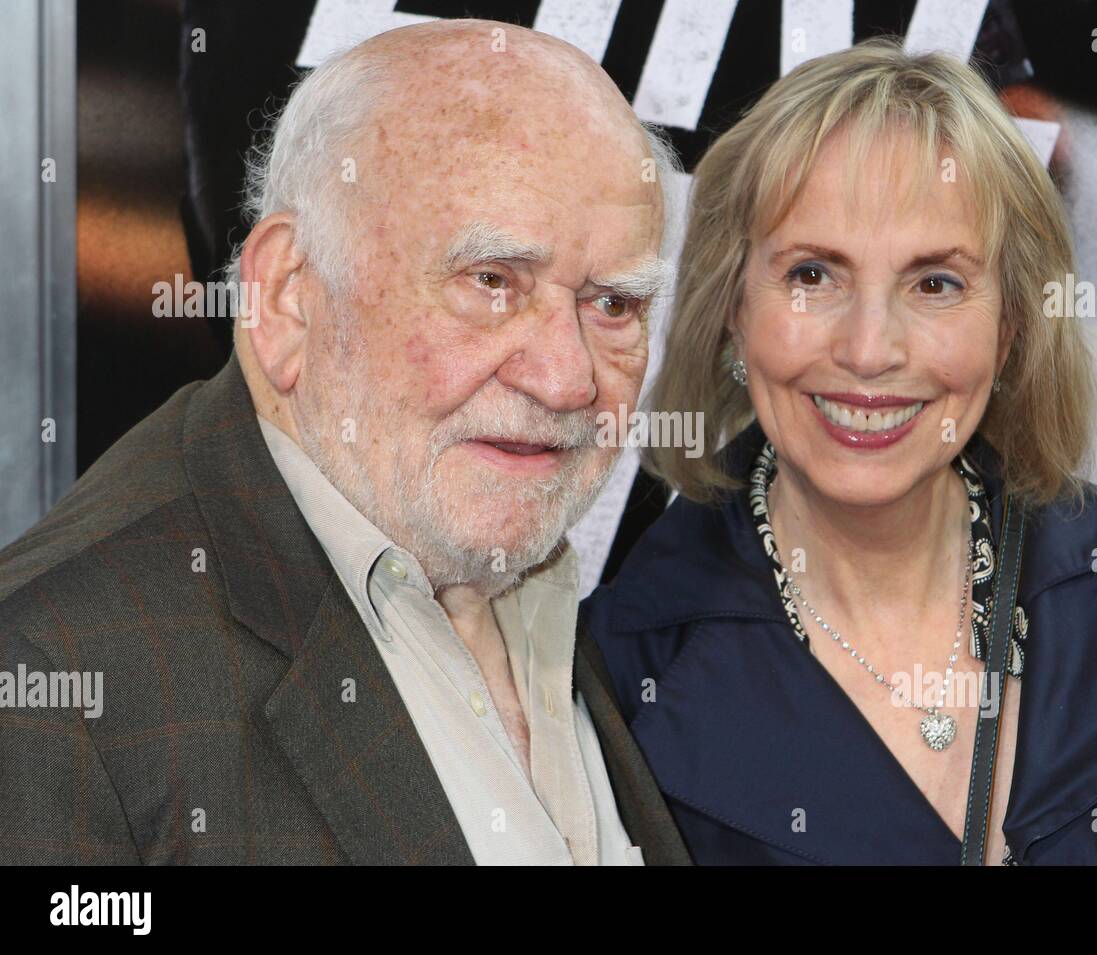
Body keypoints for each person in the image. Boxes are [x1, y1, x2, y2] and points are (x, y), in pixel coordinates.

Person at [582, 36, 1097, 865]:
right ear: (733, 312)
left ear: (1011, 330)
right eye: (813, 274)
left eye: (936, 282)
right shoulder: (616, 674)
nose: (869, 348)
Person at [0, 19, 689, 865]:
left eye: (614, 303)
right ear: (290, 294)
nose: (566, 379)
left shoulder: (518, 567)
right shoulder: (51, 683)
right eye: (491, 281)